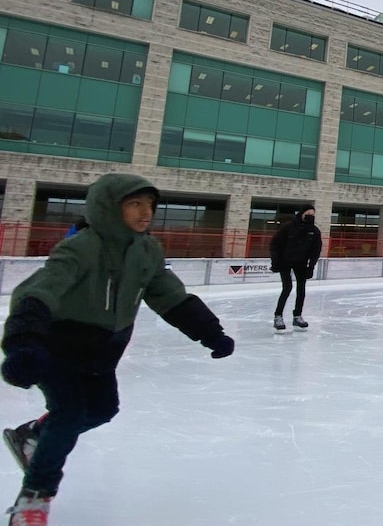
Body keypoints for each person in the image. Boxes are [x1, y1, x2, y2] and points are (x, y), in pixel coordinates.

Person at [1, 174, 235, 526]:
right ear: (110, 208)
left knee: (103, 409)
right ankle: (33, 499)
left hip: (101, 354)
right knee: (69, 413)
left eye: (150, 206)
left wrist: (211, 333)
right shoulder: (82, 246)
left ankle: (33, 434)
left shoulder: (148, 250)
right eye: (135, 204)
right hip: (58, 346)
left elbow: (170, 296)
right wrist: (22, 343)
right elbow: (38, 292)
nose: (146, 213)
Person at [269, 204, 322, 331]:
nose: (310, 217)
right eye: (308, 214)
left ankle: (297, 316)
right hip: (285, 261)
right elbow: (275, 244)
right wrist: (276, 262)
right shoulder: (289, 227)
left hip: (301, 263)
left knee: (301, 289)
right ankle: (278, 316)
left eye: (312, 215)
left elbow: (316, 250)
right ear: (302, 214)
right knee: (287, 288)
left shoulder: (314, 231)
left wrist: (311, 267)